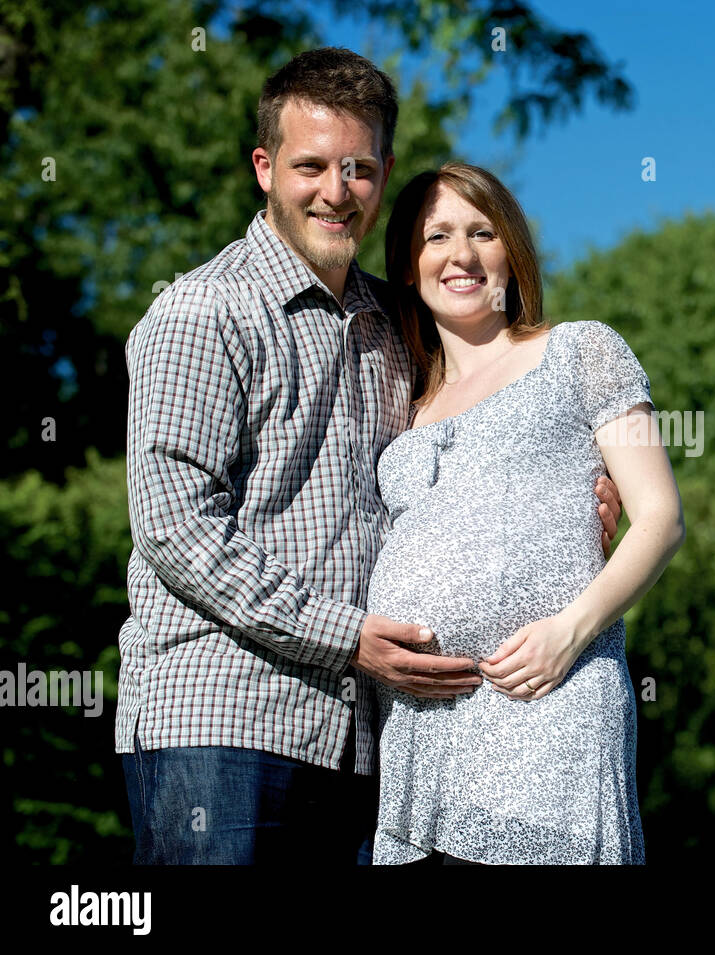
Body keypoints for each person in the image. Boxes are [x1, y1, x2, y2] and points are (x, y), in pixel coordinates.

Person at [114, 48, 624, 865]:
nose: (335, 190)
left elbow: (474, 459)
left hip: (368, 745)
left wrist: (572, 498)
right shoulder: (202, 311)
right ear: (264, 168)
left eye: (357, 168)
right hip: (223, 722)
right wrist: (347, 634)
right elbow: (177, 526)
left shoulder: (400, 326)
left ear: (382, 175)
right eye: (310, 166)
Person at [368, 162, 686, 865]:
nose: (461, 254)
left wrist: (569, 632)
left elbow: (661, 517)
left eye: (483, 233)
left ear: (512, 253)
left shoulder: (580, 351)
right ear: (409, 267)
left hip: (546, 706)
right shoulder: (405, 408)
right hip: (421, 737)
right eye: (437, 236)